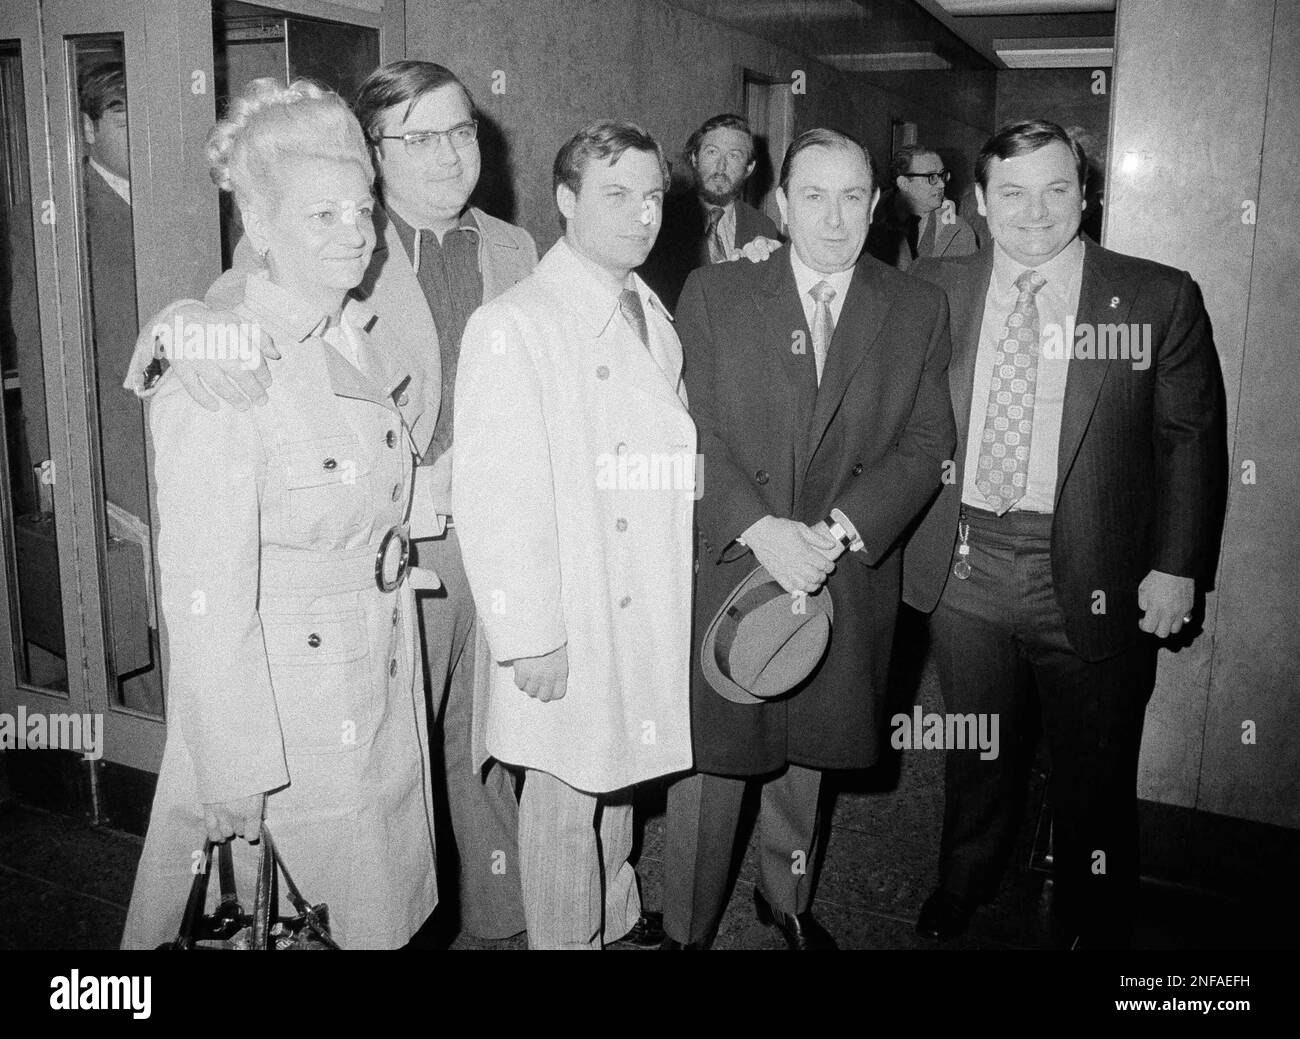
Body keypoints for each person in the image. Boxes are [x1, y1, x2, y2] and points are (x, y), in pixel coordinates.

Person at [124, 60, 536, 942]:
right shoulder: (226, 362)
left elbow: (375, 494)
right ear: (258, 228)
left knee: (372, 914)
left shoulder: (348, 336)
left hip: (372, 675)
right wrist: (231, 764)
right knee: (295, 918)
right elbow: (204, 589)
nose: (355, 235)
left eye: (360, 212)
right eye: (322, 216)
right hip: (291, 710)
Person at [904, 120, 1227, 948]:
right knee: (975, 749)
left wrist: (1178, 567)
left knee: (1096, 767)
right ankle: (964, 880)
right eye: (1011, 193)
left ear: (1084, 192)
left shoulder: (1157, 296)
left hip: (1095, 567)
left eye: (1056, 189)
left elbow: (1189, 440)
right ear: (979, 201)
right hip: (966, 562)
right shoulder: (932, 287)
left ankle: (1091, 914)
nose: (1035, 211)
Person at [661, 128, 956, 950]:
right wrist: (761, 528)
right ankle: (686, 922)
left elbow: (927, 440)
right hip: (734, 560)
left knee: (810, 753)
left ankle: (782, 899)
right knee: (714, 762)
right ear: (783, 205)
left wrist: (834, 531)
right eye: (814, 196)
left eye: (853, 196)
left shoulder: (914, 305)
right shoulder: (715, 294)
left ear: (876, 204)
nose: (834, 217)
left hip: (844, 565)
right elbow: (686, 430)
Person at [452, 120, 696, 950]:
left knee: (617, 779)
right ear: (565, 201)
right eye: (617, 194)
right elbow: (495, 497)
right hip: (568, 609)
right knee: (563, 807)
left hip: (632, 595)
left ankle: (619, 915)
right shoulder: (517, 322)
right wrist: (531, 638)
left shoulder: (642, 306)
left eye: (654, 195)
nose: (643, 215)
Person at [641, 113, 780, 312]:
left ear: (749, 167)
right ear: (695, 158)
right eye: (712, 152)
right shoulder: (663, 219)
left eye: (734, 155)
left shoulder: (763, 227)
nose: (721, 167)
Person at [867, 144, 978, 271]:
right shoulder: (866, 225)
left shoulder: (959, 232)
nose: (942, 184)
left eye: (942, 175)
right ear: (904, 183)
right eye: (932, 177)